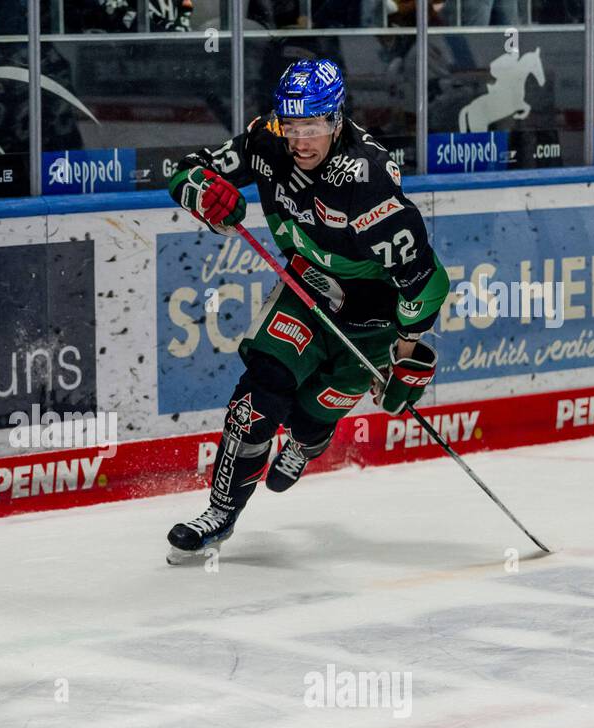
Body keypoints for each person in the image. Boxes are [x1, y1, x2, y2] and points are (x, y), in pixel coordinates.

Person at [164, 58, 450, 562]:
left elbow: (424, 282)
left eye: (311, 127)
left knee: (310, 415)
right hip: (308, 289)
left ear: (336, 119)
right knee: (260, 394)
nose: (300, 141)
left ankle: (307, 442)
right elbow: (185, 169)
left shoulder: (368, 181)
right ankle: (219, 513)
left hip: (374, 316)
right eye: (291, 126)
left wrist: (404, 356)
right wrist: (201, 192)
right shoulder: (266, 141)